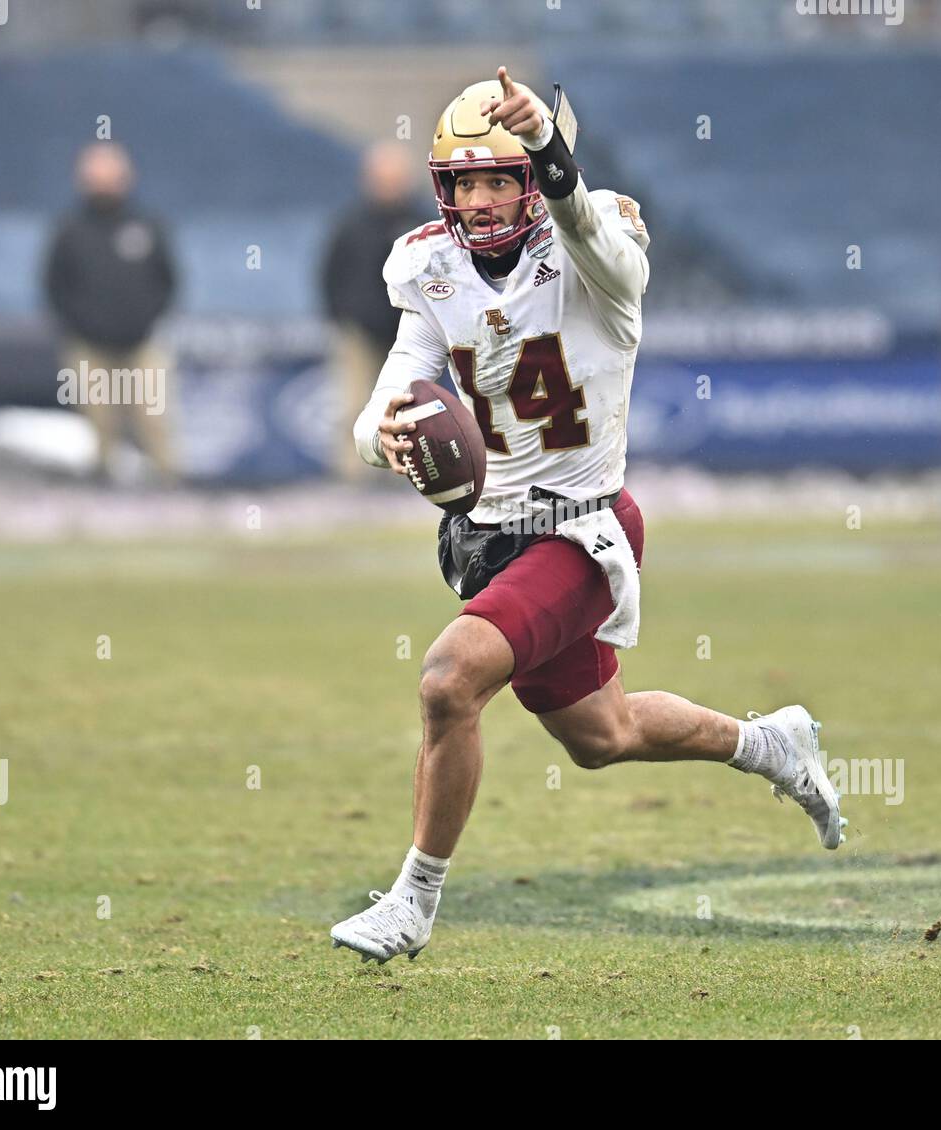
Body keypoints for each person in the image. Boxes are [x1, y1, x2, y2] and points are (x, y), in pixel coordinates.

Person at [332, 67, 846, 965]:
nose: (484, 201)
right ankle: (771, 743)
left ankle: (412, 901)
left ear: (535, 176)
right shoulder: (428, 267)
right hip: (488, 537)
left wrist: (551, 149)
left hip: (581, 528)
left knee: (450, 680)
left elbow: (587, 228)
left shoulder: (596, 251)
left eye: (502, 177)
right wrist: (391, 440)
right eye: (466, 182)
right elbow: (387, 400)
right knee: (602, 736)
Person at [44, 142, 177, 484]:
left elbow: (169, 280)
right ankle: (103, 496)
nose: (104, 184)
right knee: (100, 424)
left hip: (141, 343)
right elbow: (54, 287)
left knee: (155, 418)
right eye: (96, 177)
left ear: (127, 178)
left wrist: (146, 319)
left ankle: (170, 490)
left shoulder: (146, 226)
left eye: (111, 176)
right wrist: (83, 325)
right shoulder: (70, 230)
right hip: (90, 346)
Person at [319, 141, 425, 481]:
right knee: (354, 406)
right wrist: (343, 318)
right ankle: (351, 481)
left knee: (418, 412)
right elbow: (330, 275)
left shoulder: (422, 224)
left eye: (395, 177)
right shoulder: (351, 224)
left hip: (412, 332)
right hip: (360, 333)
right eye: (382, 177)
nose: (389, 185)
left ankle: (422, 477)